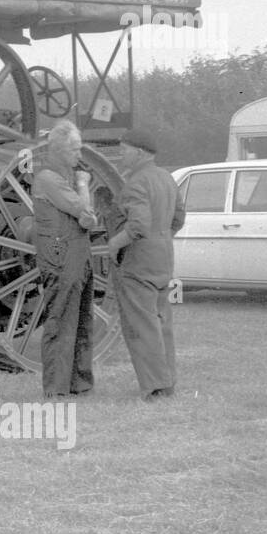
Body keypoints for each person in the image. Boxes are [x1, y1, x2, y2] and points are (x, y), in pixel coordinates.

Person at [106, 128, 185, 401]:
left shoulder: (136, 183)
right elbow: (179, 218)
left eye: (124, 149)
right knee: (162, 322)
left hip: (138, 262)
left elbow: (137, 226)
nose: (120, 153)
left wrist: (114, 244)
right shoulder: (166, 178)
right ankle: (168, 382)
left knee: (142, 326)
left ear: (139, 152)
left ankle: (154, 387)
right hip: (163, 257)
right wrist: (161, 238)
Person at [32, 120, 98, 398]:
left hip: (78, 257)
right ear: (58, 150)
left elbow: (89, 220)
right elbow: (84, 210)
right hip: (62, 259)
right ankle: (57, 388)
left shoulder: (62, 180)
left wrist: (85, 213)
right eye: (74, 149)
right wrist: (84, 186)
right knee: (60, 322)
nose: (79, 156)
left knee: (82, 321)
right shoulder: (49, 179)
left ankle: (79, 384)